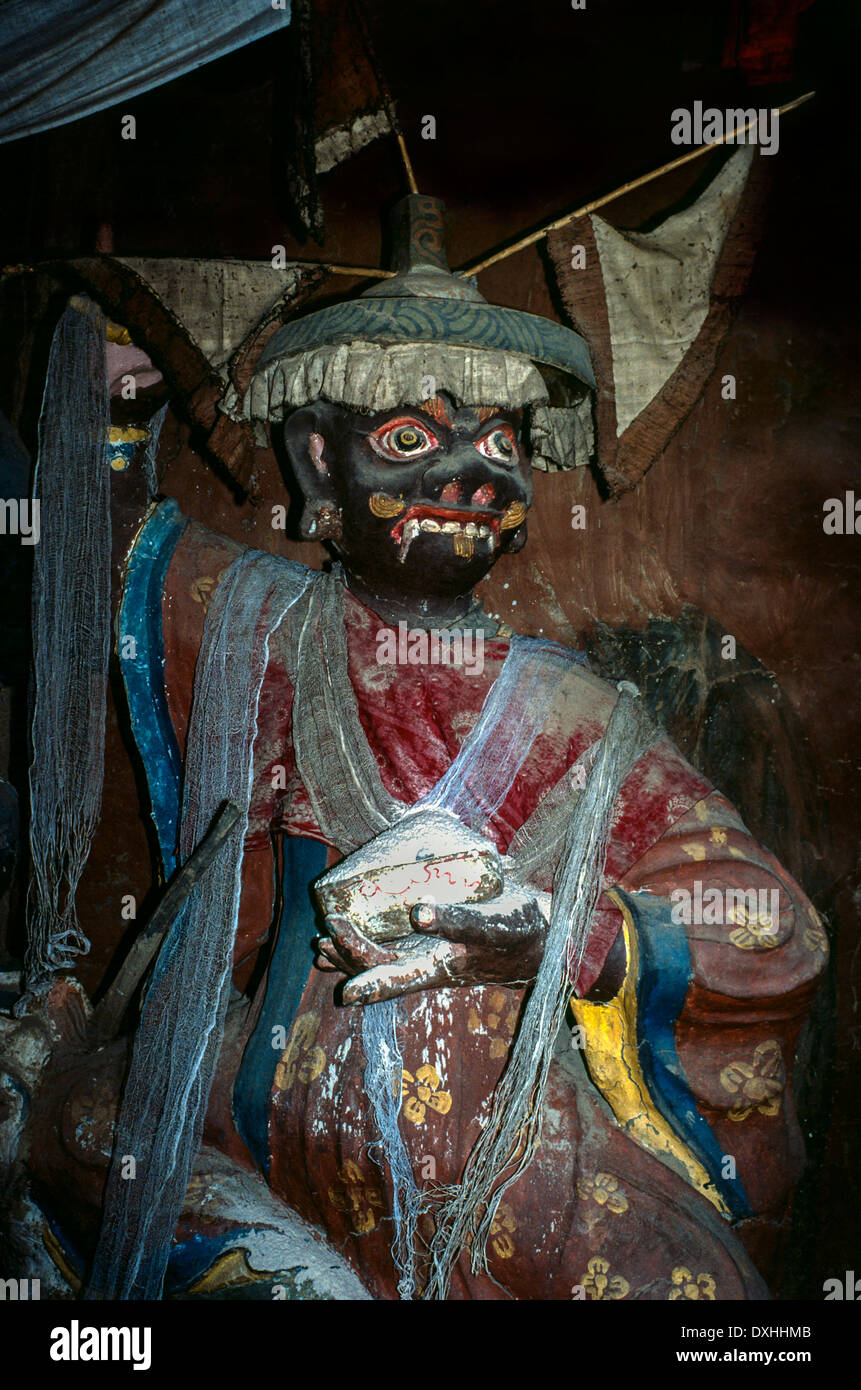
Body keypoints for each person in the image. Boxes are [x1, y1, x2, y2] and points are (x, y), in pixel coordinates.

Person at [23, 196, 827, 1301]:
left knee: (705, 1298)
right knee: (73, 1116)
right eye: (410, 439)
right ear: (317, 462)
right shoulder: (269, 630)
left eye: (502, 447)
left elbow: (771, 925)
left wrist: (560, 938)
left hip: (516, 1152)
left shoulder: (578, 716)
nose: (471, 476)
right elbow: (116, 566)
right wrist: (119, 425)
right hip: (270, 1103)